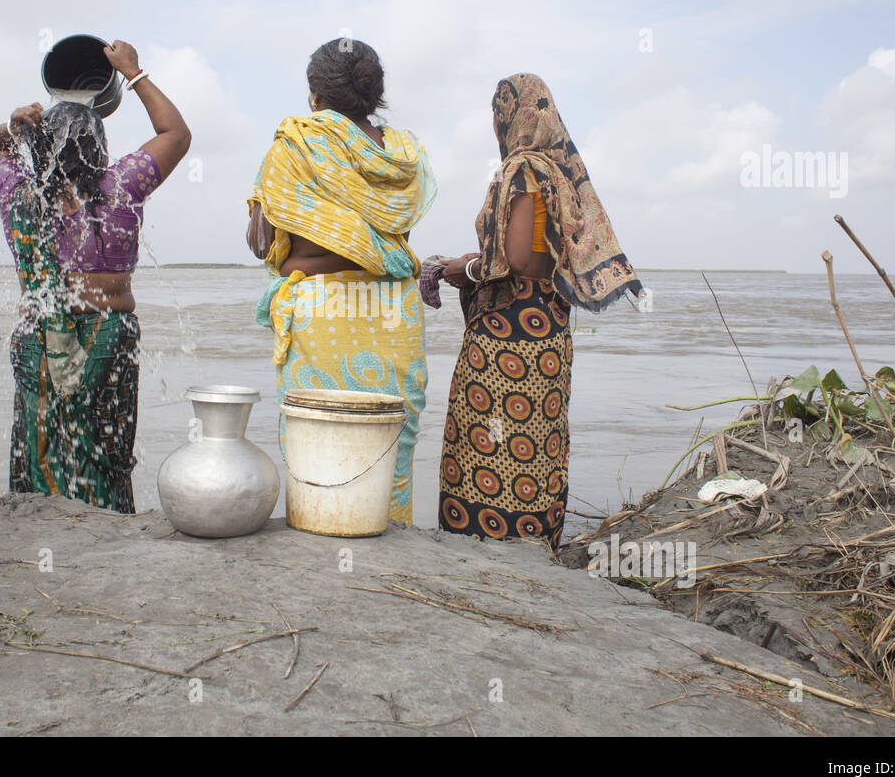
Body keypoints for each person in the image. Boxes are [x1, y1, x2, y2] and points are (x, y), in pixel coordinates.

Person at [0, 40, 190, 512]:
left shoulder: (19, 194)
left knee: (39, 441)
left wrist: (15, 125)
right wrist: (133, 74)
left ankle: (39, 517)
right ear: (101, 146)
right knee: (105, 446)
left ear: (34, 149)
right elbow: (175, 134)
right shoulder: (119, 188)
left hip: (37, 338)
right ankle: (106, 517)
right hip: (108, 336)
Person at [432, 73, 640, 546]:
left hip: (506, 341)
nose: (495, 126)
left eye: (496, 115)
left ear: (511, 115)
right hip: (549, 332)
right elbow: (541, 258)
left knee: (486, 444)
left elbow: (517, 259)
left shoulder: (522, 170)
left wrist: (461, 270)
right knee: (539, 448)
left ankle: (480, 545)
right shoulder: (562, 172)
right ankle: (536, 545)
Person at [246, 38, 436, 523]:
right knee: (389, 443)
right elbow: (389, 238)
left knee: (318, 438)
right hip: (393, 310)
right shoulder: (402, 155)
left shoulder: (296, 144)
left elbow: (264, 240)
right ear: (375, 92)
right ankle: (384, 531)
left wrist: (259, 205)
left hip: (321, 310)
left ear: (316, 92)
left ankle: (318, 528)